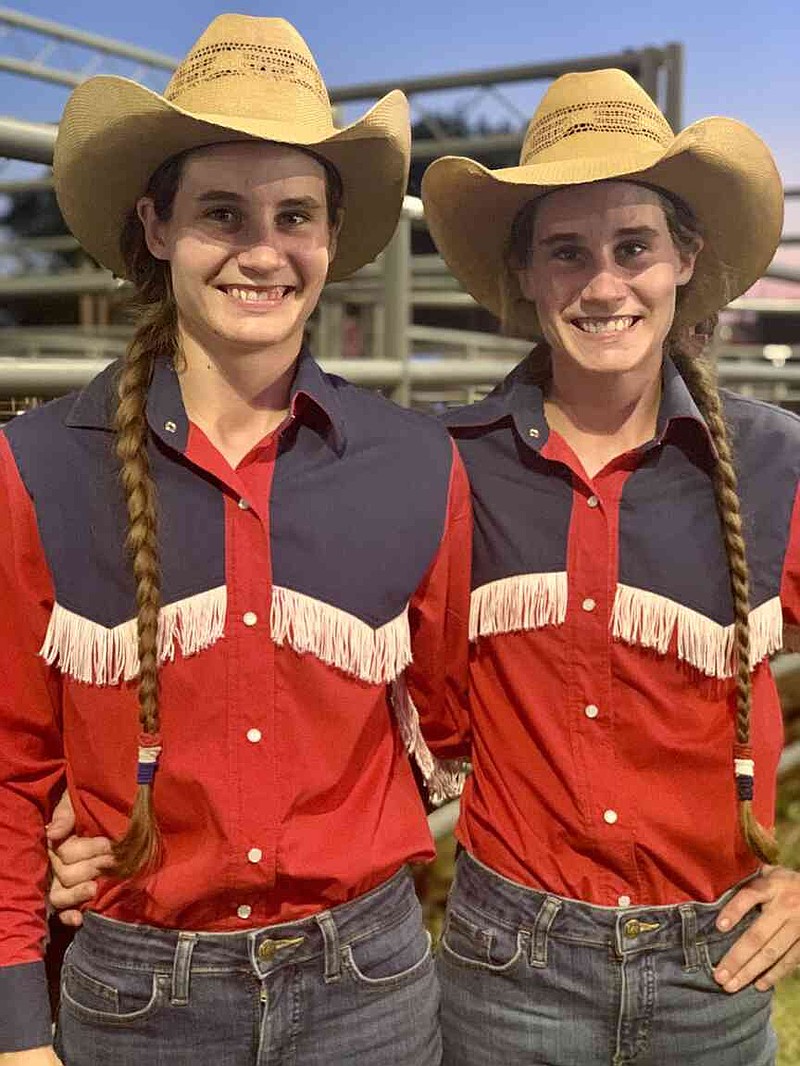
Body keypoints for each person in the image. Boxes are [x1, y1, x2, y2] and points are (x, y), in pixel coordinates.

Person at [0, 14, 470, 1065]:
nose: (263, 250)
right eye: (222, 212)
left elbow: (444, 717)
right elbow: (8, 758)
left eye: (293, 214)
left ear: (329, 236)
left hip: (368, 980)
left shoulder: (414, 464)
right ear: (156, 225)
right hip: (135, 985)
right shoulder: (37, 469)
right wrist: (14, 1025)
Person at [419, 69, 800, 1064]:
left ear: (683, 257)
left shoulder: (771, 461)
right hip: (510, 962)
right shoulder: (445, 460)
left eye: (632, 246)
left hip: (710, 963)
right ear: (527, 274)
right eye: (564, 252)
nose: (600, 284)